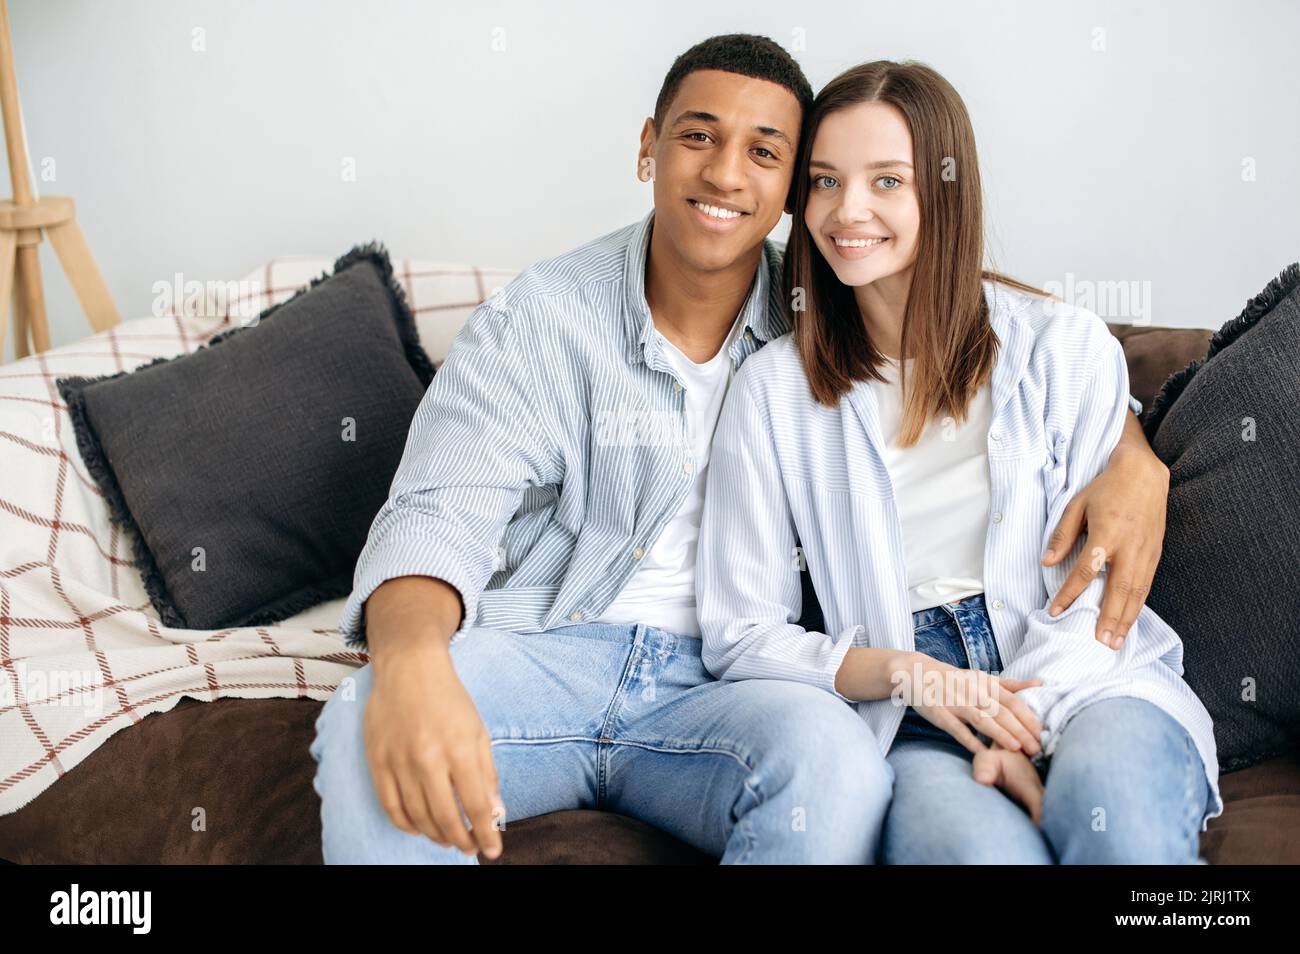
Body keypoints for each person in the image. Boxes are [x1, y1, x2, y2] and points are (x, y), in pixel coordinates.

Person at [311, 35, 1175, 864]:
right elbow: (439, 514)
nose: (726, 173)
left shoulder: (828, 310)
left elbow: (1013, 362)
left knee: (834, 772)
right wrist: (413, 660)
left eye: (765, 153)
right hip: (549, 648)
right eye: (698, 137)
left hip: (734, 692)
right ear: (649, 147)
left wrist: (1135, 452)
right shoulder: (540, 319)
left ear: (789, 187)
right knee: (362, 720)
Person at [696, 59, 1222, 863]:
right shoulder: (772, 392)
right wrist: (911, 676)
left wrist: (1022, 722)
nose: (849, 210)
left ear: (945, 190)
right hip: (912, 720)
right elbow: (741, 634)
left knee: (1117, 824)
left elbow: (1097, 597)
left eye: (887, 181)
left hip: (1090, 678)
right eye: (826, 181)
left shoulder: (1061, 346)